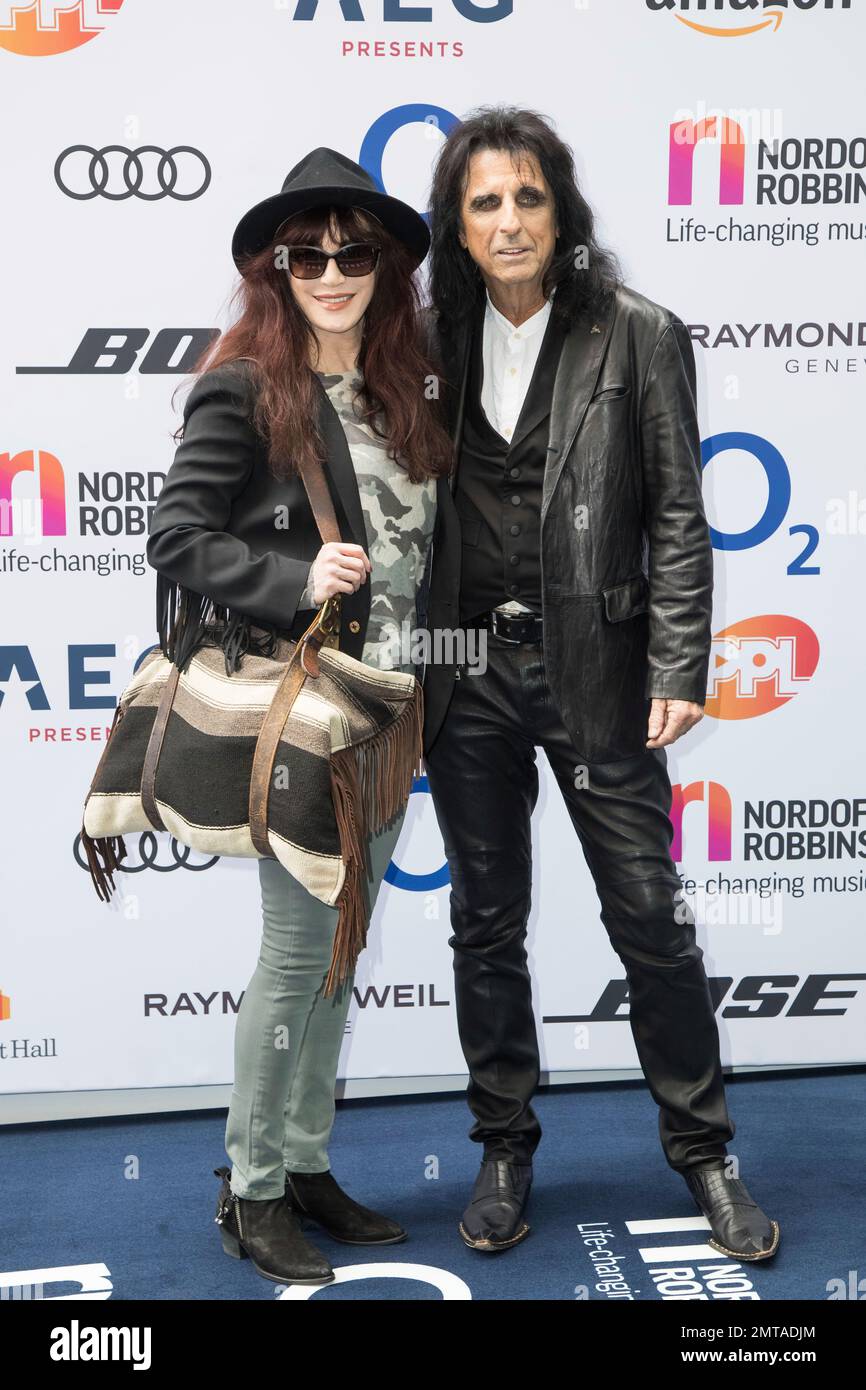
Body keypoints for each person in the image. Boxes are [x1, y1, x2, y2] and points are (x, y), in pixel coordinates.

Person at [420, 106, 780, 1262]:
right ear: (458, 225)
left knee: (649, 922)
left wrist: (677, 663)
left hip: (601, 669)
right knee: (484, 921)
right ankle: (502, 1146)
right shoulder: (426, 343)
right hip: (461, 670)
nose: (510, 220)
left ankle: (706, 1153)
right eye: (485, 202)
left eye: (528, 197)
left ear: (558, 210)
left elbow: (677, 509)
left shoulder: (635, 331)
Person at [145, 147, 454, 1287]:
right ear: (275, 267)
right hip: (300, 711)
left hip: (389, 710)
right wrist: (291, 576)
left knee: (339, 947)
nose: (330, 272)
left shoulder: (404, 388)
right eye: (306, 254)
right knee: (293, 950)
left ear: (384, 268)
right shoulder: (243, 383)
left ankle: (307, 1164)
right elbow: (176, 534)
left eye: (352, 253)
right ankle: (252, 1188)